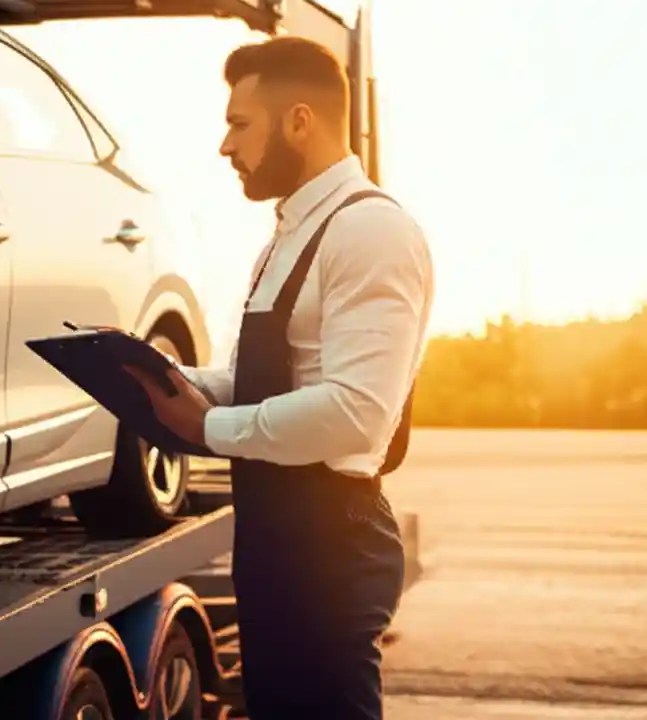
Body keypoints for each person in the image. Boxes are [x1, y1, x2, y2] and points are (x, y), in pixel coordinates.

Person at [124, 36, 434, 719]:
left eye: (239, 124)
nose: (224, 146)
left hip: (332, 546)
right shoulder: (289, 234)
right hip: (276, 536)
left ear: (299, 120)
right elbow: (268, 378)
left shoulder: (370, 231)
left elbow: (356, 412)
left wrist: (206, 427)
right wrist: (176, 382)